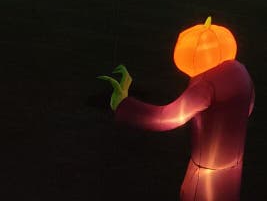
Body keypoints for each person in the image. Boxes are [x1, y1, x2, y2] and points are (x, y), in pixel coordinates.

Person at [99, 17, 254, 201]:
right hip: (233, 170)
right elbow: (249, 108)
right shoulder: (242, 73)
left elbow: (169, 117)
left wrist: (124, 105)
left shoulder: (205, 85)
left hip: (205, 174)